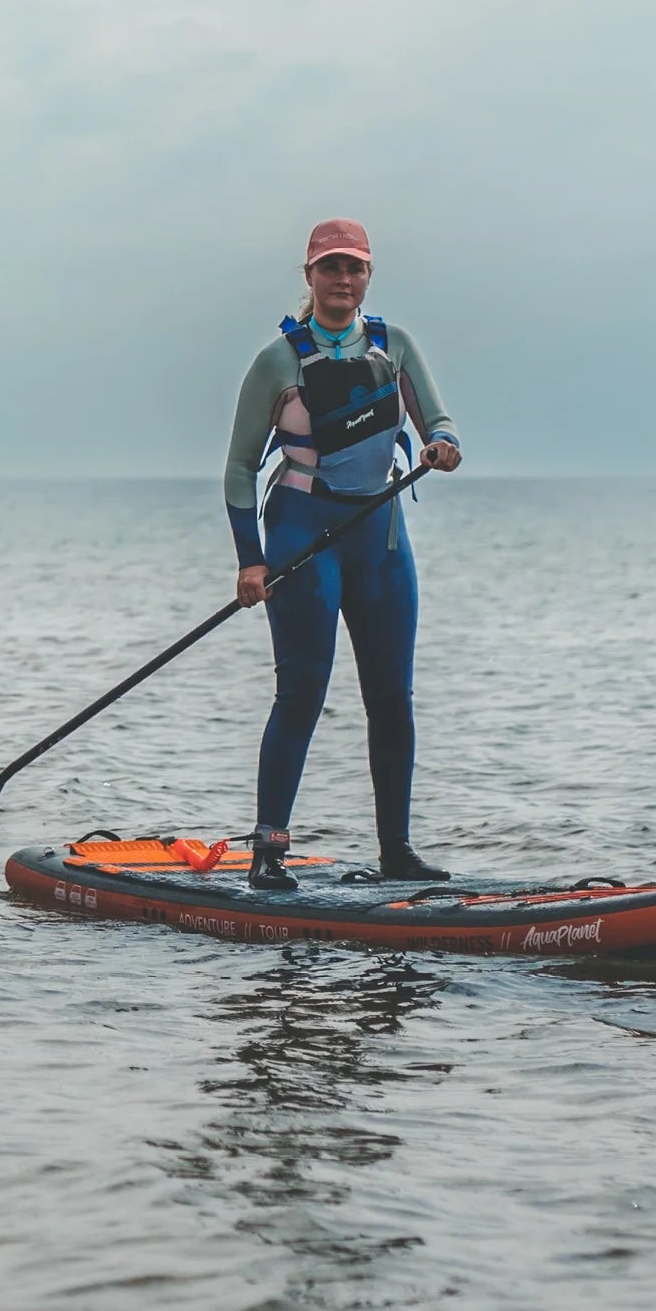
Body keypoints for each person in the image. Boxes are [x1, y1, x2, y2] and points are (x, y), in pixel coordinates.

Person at [222, 220, 462, 891]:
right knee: (302, 692)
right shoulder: (279, 360)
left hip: (379, 537)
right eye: (330, 268)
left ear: (368, 276)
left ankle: (397, 852)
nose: (343, 280)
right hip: (304, 533)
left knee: (392, 699)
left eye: (354, 268)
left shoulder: (396, 346)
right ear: (309, 276)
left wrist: (444, 445)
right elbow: (239, 469)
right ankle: (268, 850)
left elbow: (438, 423)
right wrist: (251, 561)